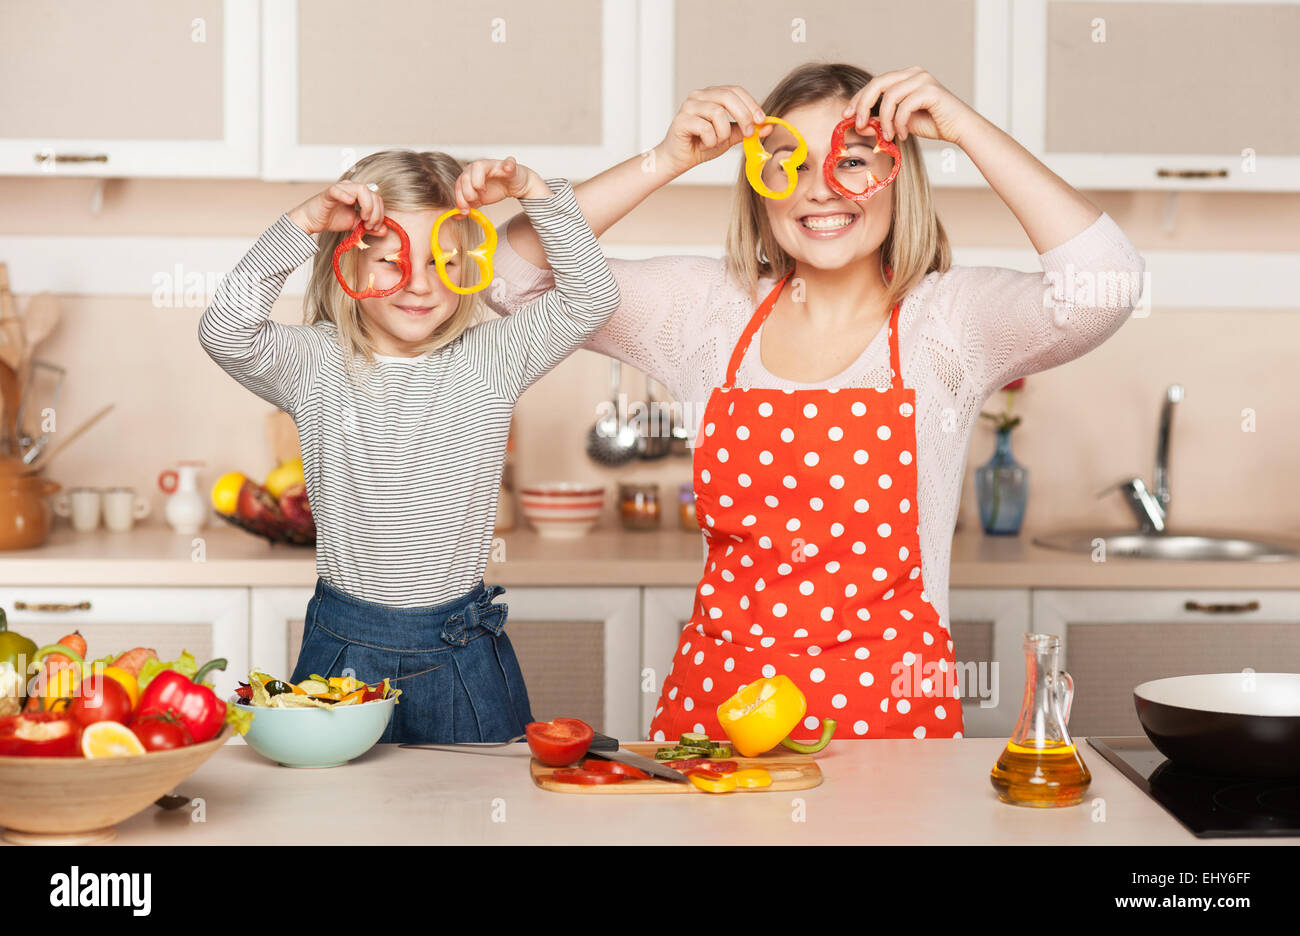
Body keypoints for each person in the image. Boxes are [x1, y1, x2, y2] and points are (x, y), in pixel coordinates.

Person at [479, 63, 1145, 741]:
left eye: (852, 161)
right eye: (788, 165)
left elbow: (1108, 286)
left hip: (893, 728)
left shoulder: (948, 323)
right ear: (758, 188)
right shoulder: (704, 312)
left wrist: (964, 129)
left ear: (898, 176)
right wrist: (666, 159)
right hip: (718, 721)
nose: (821, 189)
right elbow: (509, 280)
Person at [199, 150, 619, 742]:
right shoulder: (315, 363)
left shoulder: (492, 357)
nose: (420, 283)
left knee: (473, 820)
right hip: (342, 653)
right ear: (345, 262)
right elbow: (224, 329)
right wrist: (304, 222)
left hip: (463, 655)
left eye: (443, 261)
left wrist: (534, 191)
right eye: (392, 261)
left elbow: (591, 299)